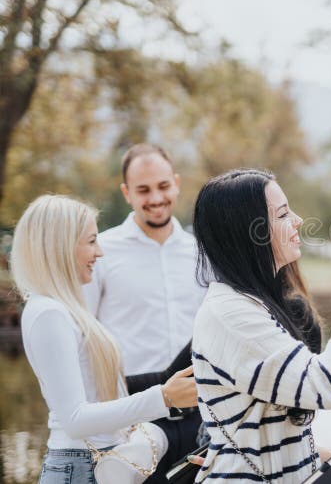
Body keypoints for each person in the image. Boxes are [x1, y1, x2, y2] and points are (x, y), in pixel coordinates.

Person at [190, 168, 331, 483]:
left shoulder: (256, 304)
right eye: (283, 214)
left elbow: (274, 431)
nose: (297, 220)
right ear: (248, 231)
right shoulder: (230, 315)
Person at [11, 195, 197, 484]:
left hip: (98, 462)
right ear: (61, 246)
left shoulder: (65, 308)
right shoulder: (49, 313)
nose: (100, 252)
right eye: (91, 241)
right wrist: (163, 397)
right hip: (81, 467)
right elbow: (75, 419)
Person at [83, 143, 206, 482]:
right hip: (133, 420)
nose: (156, 198)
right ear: (126, 193)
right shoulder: (101, 252)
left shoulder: (202, 252)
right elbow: (84, 337)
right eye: (143, 190)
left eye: (163, 186)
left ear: (176, 183)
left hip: (200, 418)